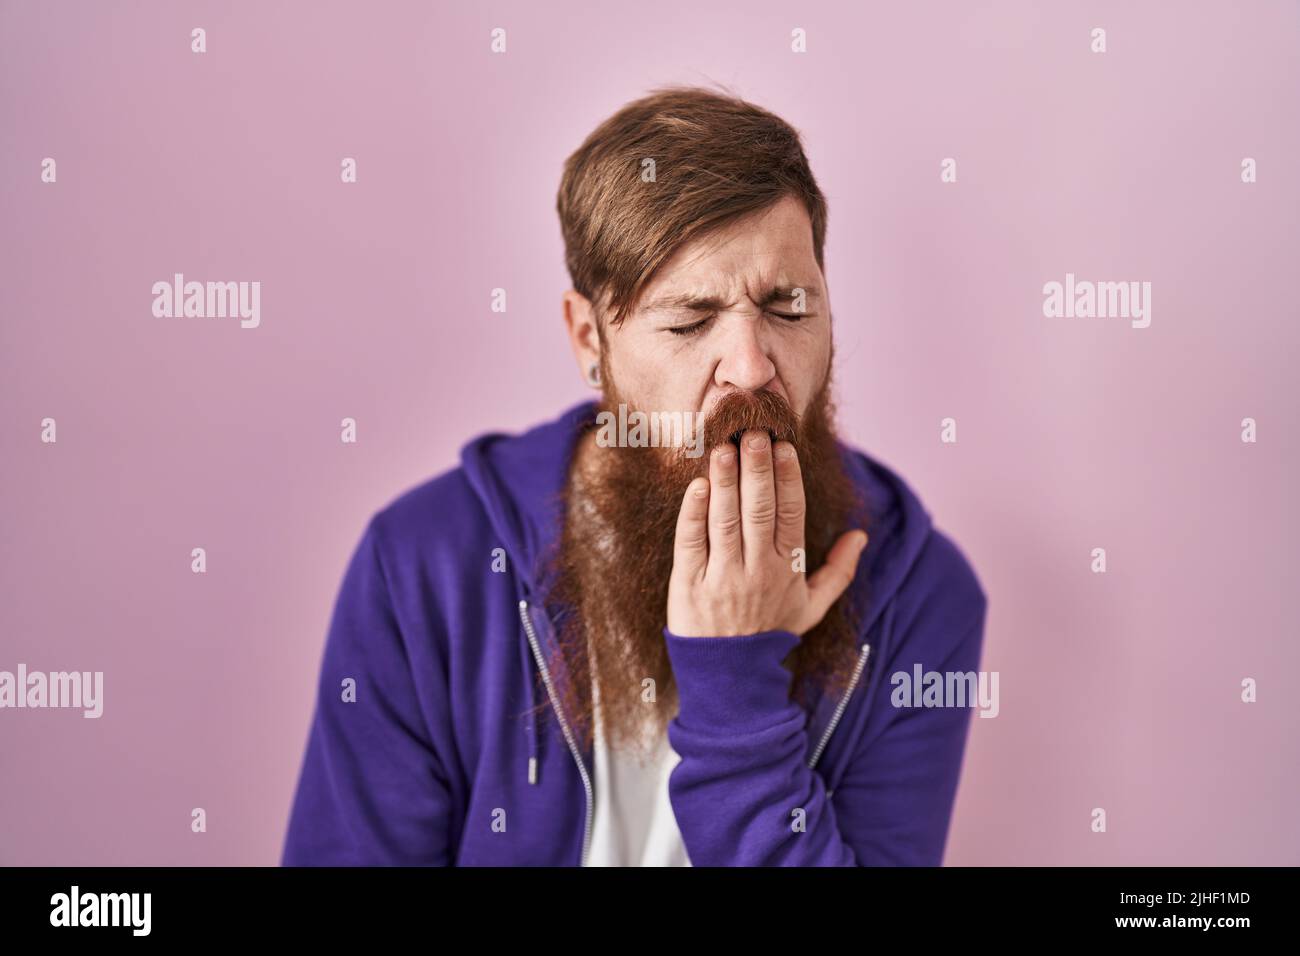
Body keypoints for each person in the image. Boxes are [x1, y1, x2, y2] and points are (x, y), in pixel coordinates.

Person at [281, 85, 988, 867]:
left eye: (789, 308)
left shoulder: (921, 593)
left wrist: (736, 686)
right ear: (591, 339)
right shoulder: (423, 567)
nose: (751, 369)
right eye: (689, 321)